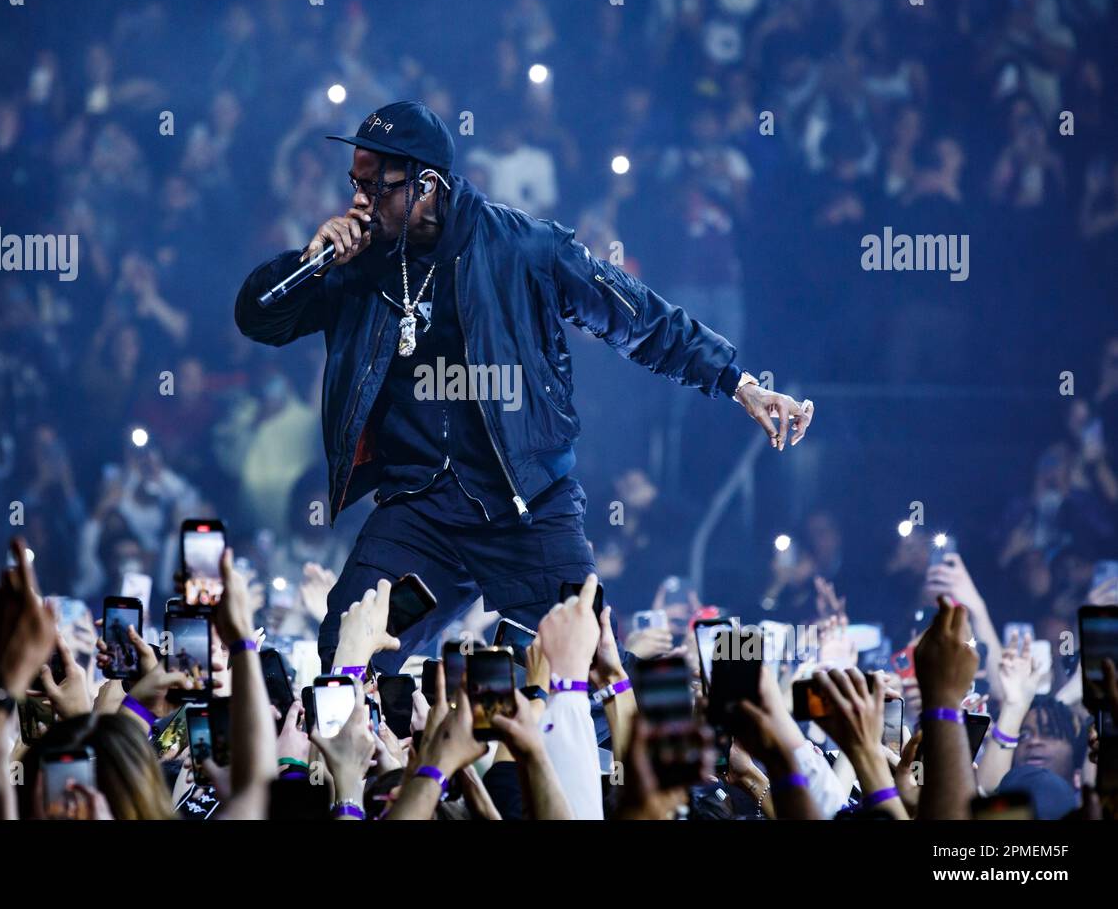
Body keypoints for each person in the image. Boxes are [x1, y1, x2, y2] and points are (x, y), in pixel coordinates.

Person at [236, 100, 815, 671]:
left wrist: (738, 383)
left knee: (580, 667)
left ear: (427, 185)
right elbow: (258, 319)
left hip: (524, 508)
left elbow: (641, 318)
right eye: (354, 182)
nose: (358, 199)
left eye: (375, 185)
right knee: (350, 652)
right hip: (422, 517)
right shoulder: (356, 262)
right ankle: (406, 758)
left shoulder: (524, 247)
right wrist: (309, 263)